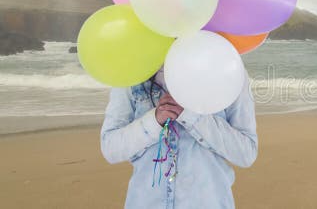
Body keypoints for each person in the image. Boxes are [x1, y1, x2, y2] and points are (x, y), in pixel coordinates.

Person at [100, 68, 257, 208]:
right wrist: (154, 120)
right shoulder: (132, 70)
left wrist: (191, 115)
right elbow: (110, 148)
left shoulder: (228, 70)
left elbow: (246, 153)